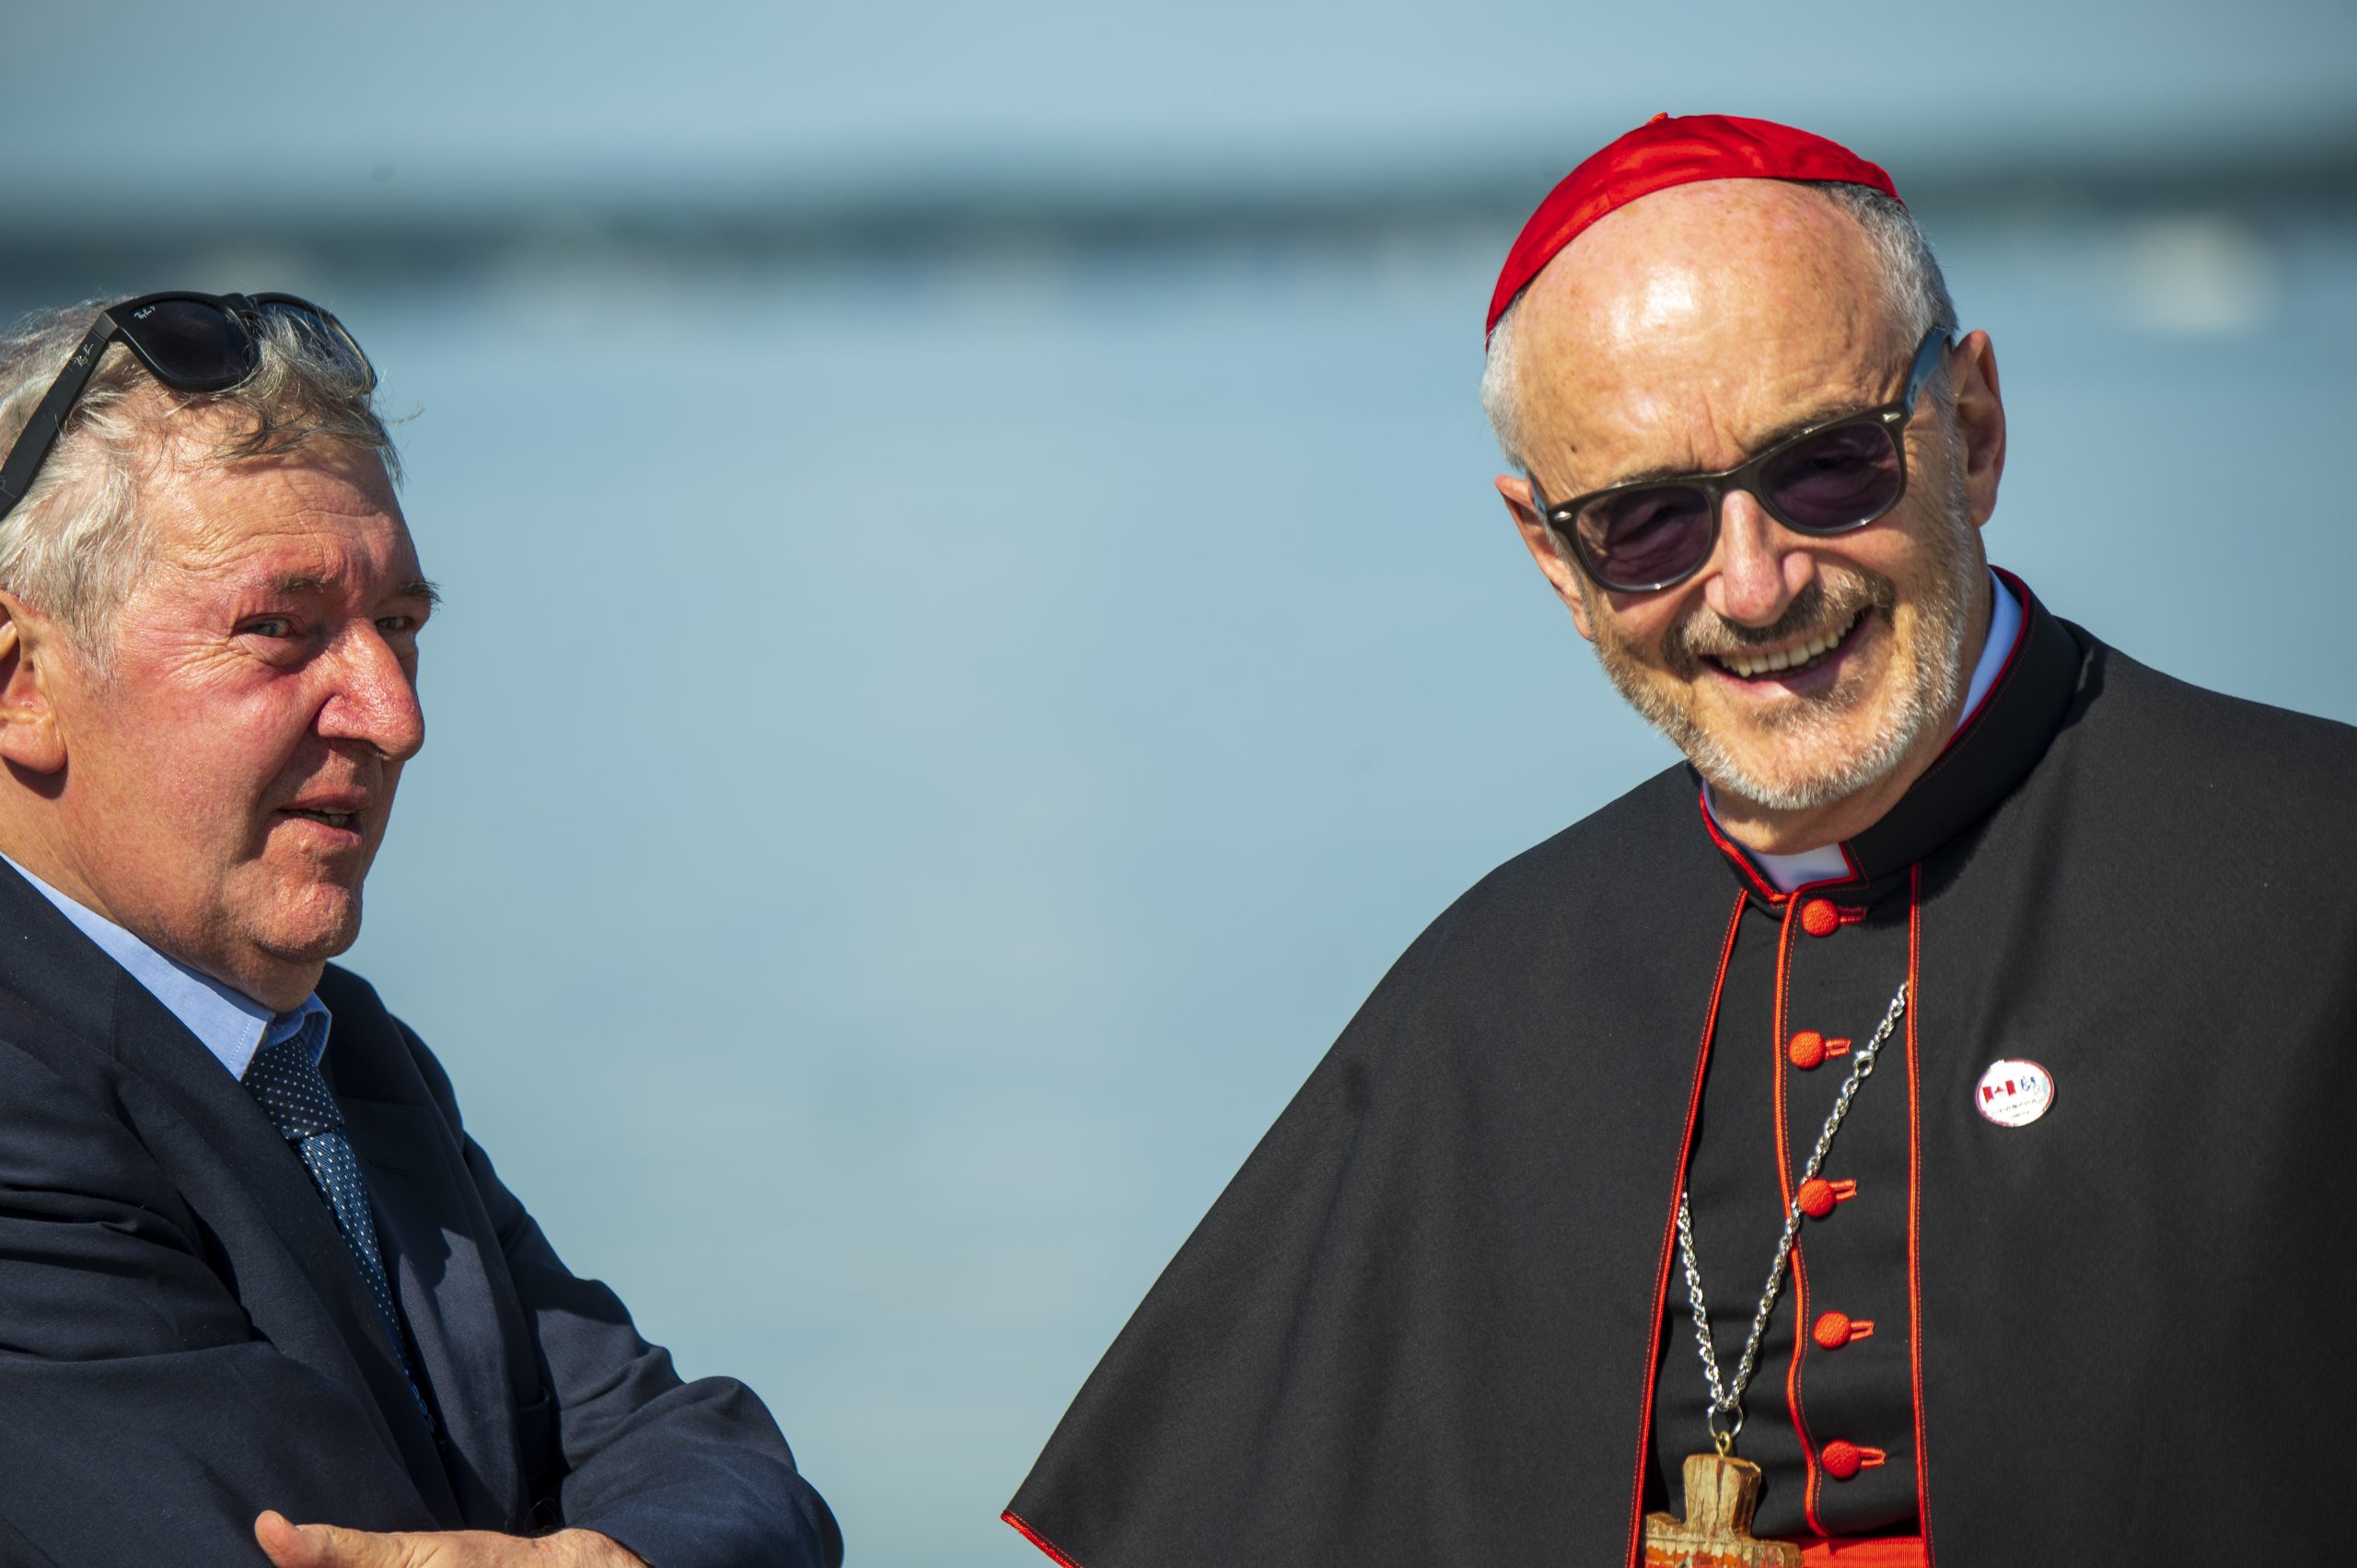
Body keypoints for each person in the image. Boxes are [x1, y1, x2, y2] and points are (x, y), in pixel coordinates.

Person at [1004, 114, 2357, 1565]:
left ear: (1969, 429)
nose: (1758, 585)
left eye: (1829, 466)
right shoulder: (1492, 989)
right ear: (1553, 558)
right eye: (1648, 522)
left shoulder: (2316, 877)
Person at [0, 294, 843, 1568]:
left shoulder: (338, 1053)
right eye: (279, 629)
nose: (392, 717)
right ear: (21, 683)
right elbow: (308, 1542)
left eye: (398, 627)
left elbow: (718, 1462)